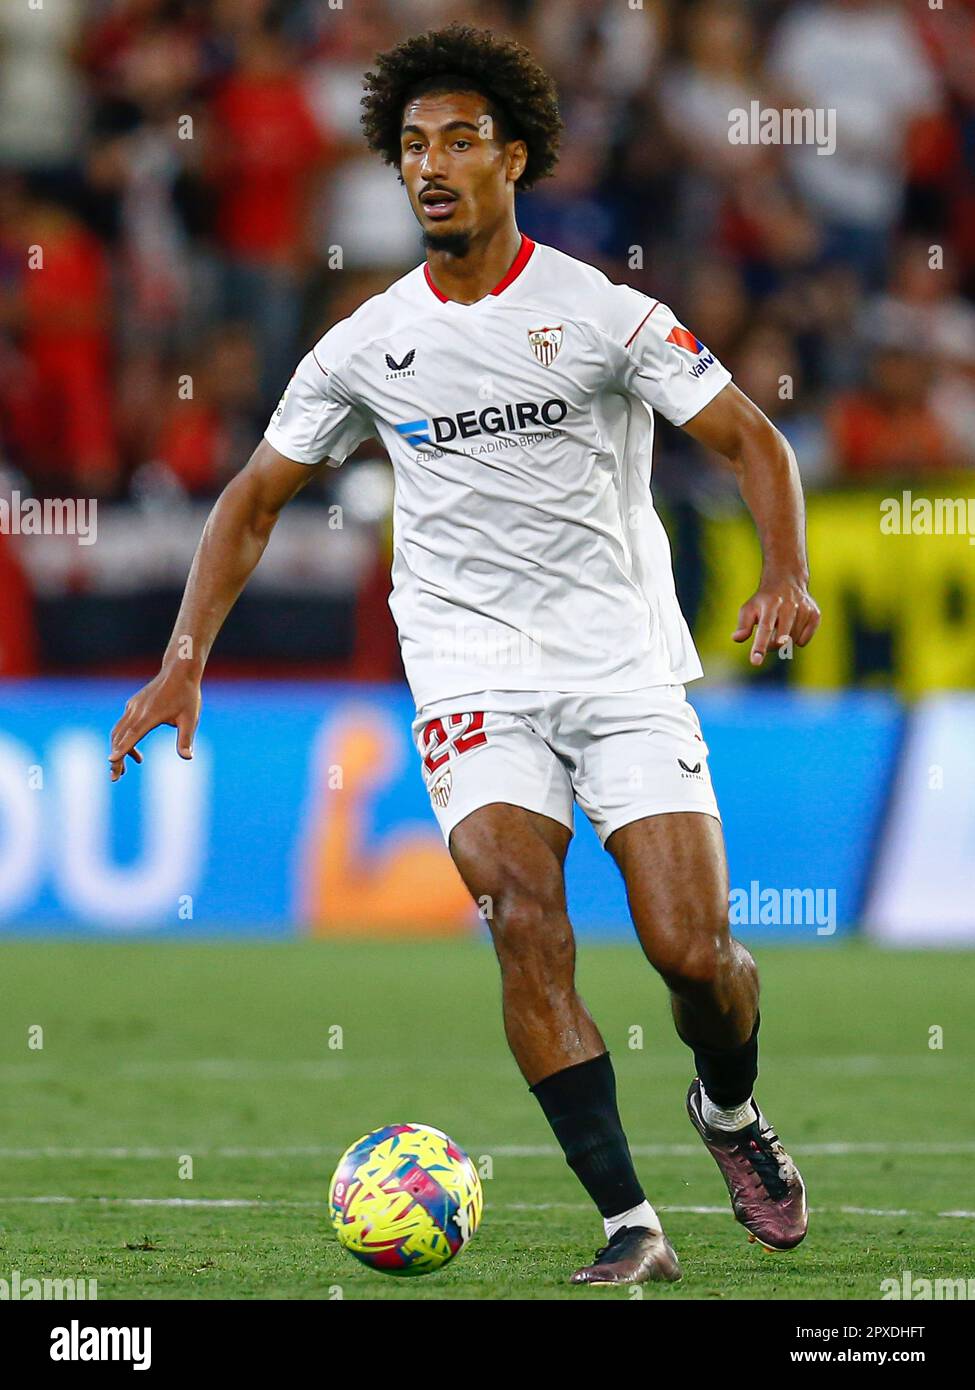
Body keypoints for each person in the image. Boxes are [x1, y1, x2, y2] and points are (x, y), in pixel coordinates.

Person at [109, 24, 820, 1286]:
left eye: (459, 141)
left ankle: (727, 1108)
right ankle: (629, 1223)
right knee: (518, 909)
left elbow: (753, 440)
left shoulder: (603, 312)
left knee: (691, 951)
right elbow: (255, 496)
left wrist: (784, 571)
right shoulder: (363, 343)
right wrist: (183, 657)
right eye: (412, 147)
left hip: (620, 660)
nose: (432, 165)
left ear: (516, 157)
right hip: (468, 667)